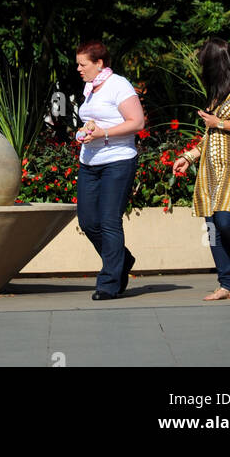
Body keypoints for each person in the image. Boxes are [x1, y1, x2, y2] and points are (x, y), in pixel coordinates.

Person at [173, 37, 230, 300]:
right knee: (212, 227)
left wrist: (219, 122)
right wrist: (189, 157)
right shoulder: (218, 93)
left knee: (224, 219)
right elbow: (208, 136)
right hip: (210, 171)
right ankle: (226, 285)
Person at [75, 39, 146, 300]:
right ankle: (122, 259)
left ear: (99, 63)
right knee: (87, 221)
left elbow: (137, 122)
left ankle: (109, 283)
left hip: (117, 161)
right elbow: (93, 120)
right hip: (89, 162)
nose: (79, 69)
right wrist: (85, 131)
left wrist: (103, 132)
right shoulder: (90, 88)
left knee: (108, 221)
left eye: (83, 64)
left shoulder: (119, 85)